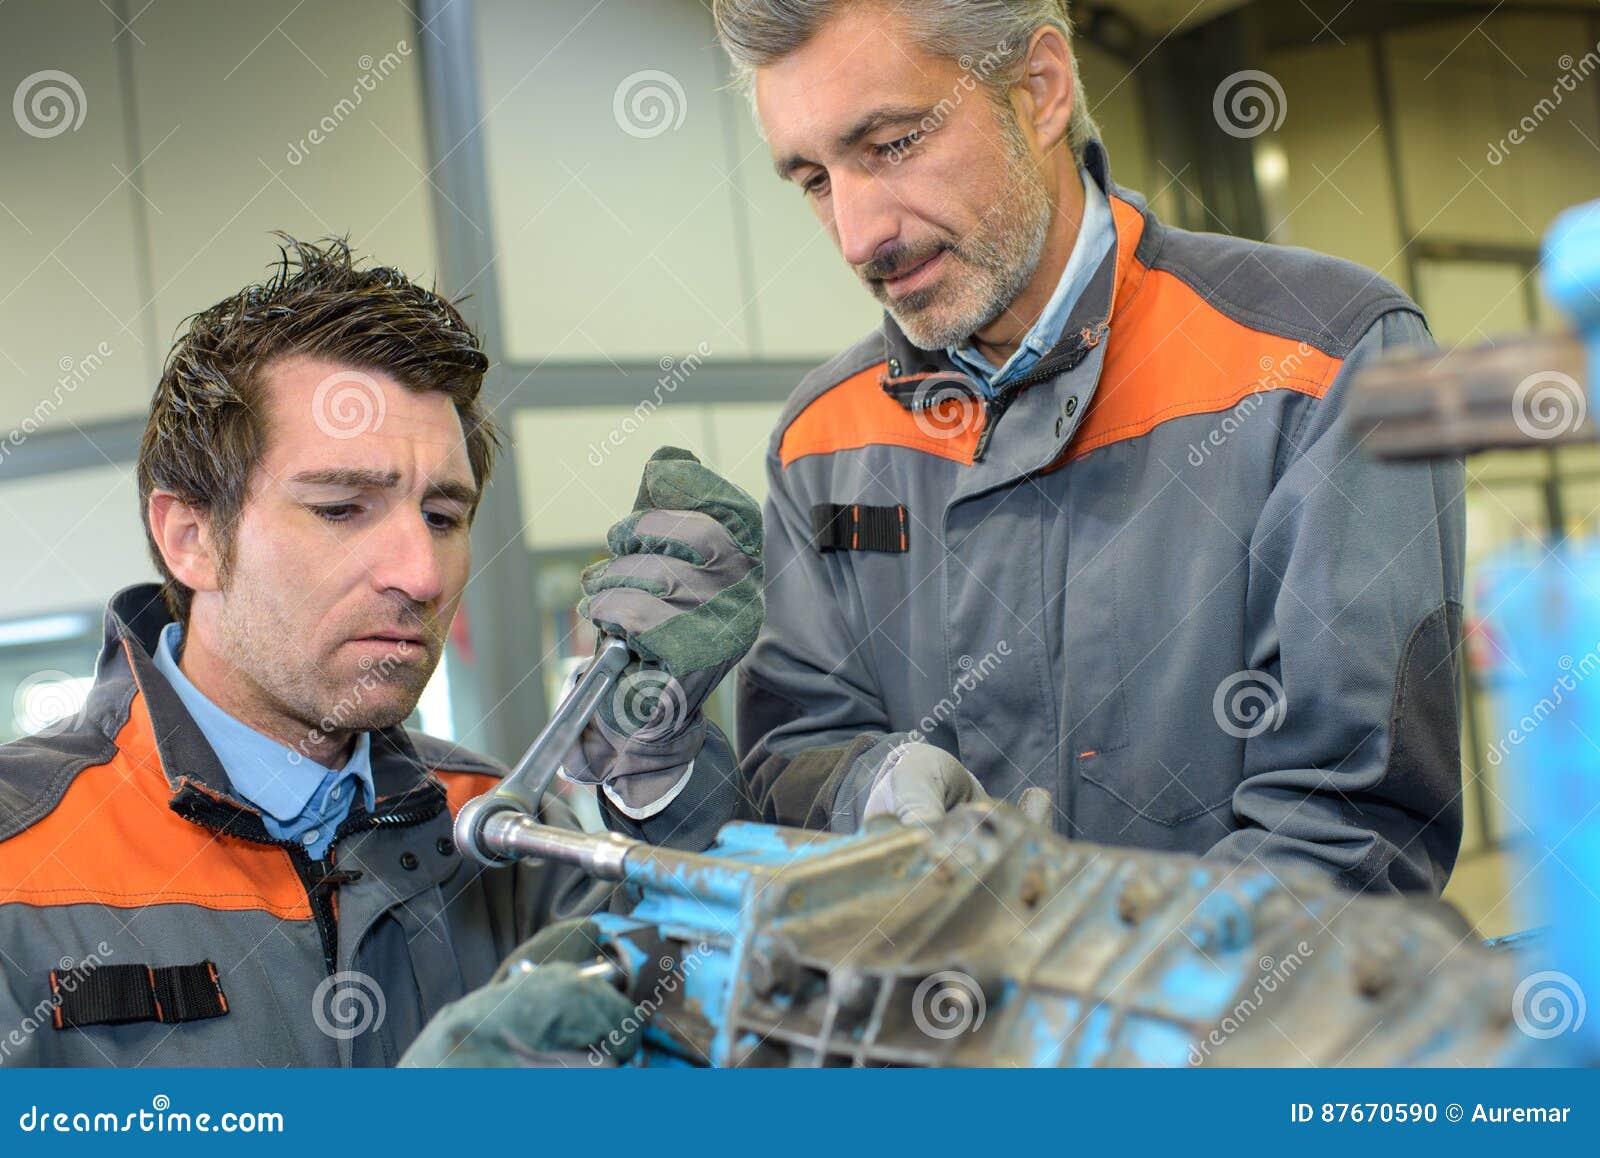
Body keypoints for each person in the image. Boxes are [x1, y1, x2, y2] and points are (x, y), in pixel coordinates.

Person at [570, 0, 1466, 896]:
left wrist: (1074, 1006)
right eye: (813, 178)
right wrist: (862, 789)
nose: (857, 235)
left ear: (1039, 90)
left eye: (890, 145)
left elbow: (1348, 836)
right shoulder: (824, 446)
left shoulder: (1321, 360)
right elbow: (794, 759)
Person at [0, 237, 712, 1066]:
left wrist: (672, 780)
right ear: (191, 537)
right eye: (342, 508)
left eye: (443, 518)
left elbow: (723, 1060)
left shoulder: (497, 835)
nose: (419, 575)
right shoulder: (21, 860)